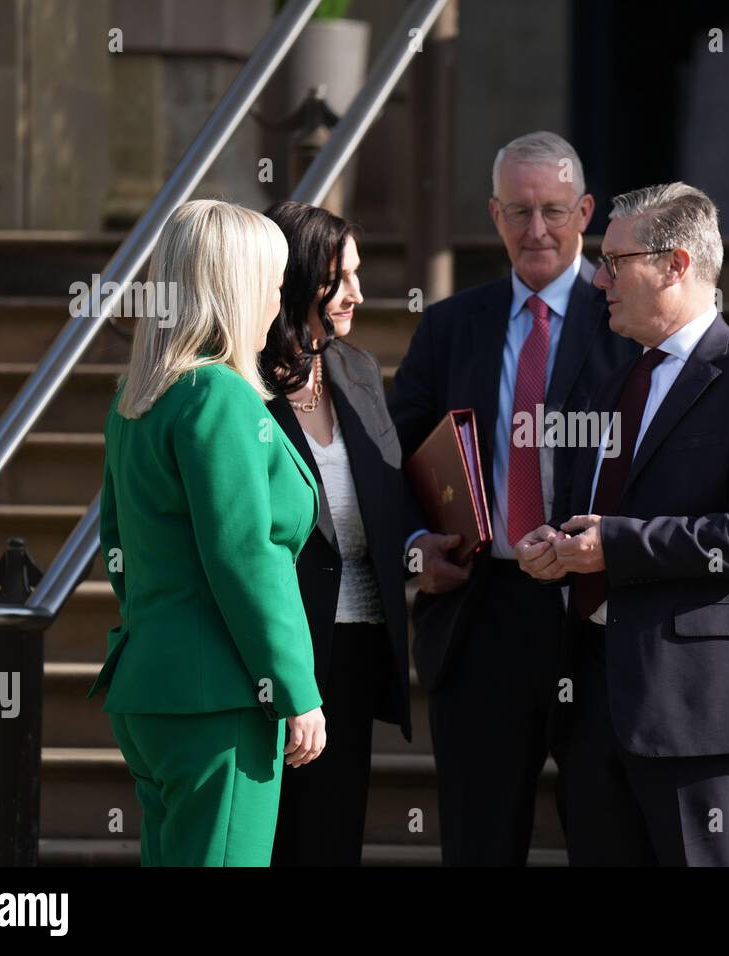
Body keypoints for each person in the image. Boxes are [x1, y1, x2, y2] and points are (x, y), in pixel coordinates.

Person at [516, 182, 729, 866]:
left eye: (615, 261)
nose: (597, 279)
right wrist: (560, 545)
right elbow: (600, 510)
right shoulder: (612, 385)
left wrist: (613, 547)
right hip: (596, 699)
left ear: (675, 265)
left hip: (698, 708)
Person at [388, 131, 639, 864]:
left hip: (595, 615)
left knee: (606, 833)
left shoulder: (629, 322)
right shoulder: (448, 327)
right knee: (480, 841)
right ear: (494, 214)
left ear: (586, 211)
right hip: (481, 612)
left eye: (555, 211)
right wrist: (411, 547)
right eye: (520, 211)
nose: (538, 231)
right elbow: (389, 456)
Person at [88, 198, 326, 867]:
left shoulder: (138, 397)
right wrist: (294, 689)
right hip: (219, 698)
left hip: (152, 688)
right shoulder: (218, 396)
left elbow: (119, 551)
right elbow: (247, 557)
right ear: (237, 289)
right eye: (273, 287)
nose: (278, 305)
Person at [260, 200, 412, 866]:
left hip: (354, 647)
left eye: (355, 272)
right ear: (293, 280)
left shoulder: (355, 369)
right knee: (276, 841)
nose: (356, 292)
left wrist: (417, 547)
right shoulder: (245, 380)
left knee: (333, 840)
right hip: (279, 652)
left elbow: (385, 494)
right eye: (337, 277)